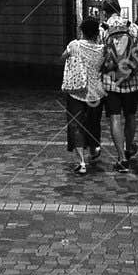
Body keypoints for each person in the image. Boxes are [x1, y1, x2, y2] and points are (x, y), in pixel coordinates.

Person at [97, 0, 138, 172]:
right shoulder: (133, 27)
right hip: (132, 81)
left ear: (105, 13)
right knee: (130, 116)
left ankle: (122, 159)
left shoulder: (103, 30)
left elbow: (99, 58)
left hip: (110, 81)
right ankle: (129, 149)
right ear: (119, 10)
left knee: (115, 118)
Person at [60, 17, 105, 175]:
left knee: (76, 125)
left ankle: (81, 162)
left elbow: (63, 57)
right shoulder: (102, 49)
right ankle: (94, 149)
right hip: (96, 93)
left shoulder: (74, 45)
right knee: (94, 124)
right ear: (97, 33)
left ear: (82, 31)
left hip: (76, 92)